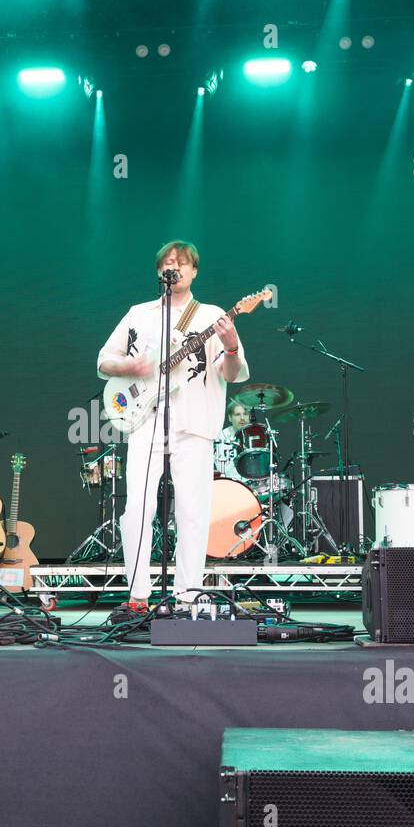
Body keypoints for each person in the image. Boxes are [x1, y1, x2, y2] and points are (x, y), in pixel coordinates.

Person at [97, 241, 250, 610]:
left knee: (193, 514)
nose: (174, 267)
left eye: (182, 263)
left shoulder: (212, 316)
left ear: (194, 270)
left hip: (195, 423)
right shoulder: (139, 314)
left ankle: (187, 597)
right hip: (145, 421)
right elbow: (103, 361)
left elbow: (233, 374)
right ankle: (137, 596)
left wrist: (229, 346)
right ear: (159, 272)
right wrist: (132, 367)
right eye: (168, 263)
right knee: (136, 511)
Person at [214, 402, 252, 481]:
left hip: (253, 487)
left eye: (245, 414)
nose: (242, 418)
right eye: (237, 414)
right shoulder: (218, 438)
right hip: (228, 486)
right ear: (230, 418)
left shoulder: (257, 436)